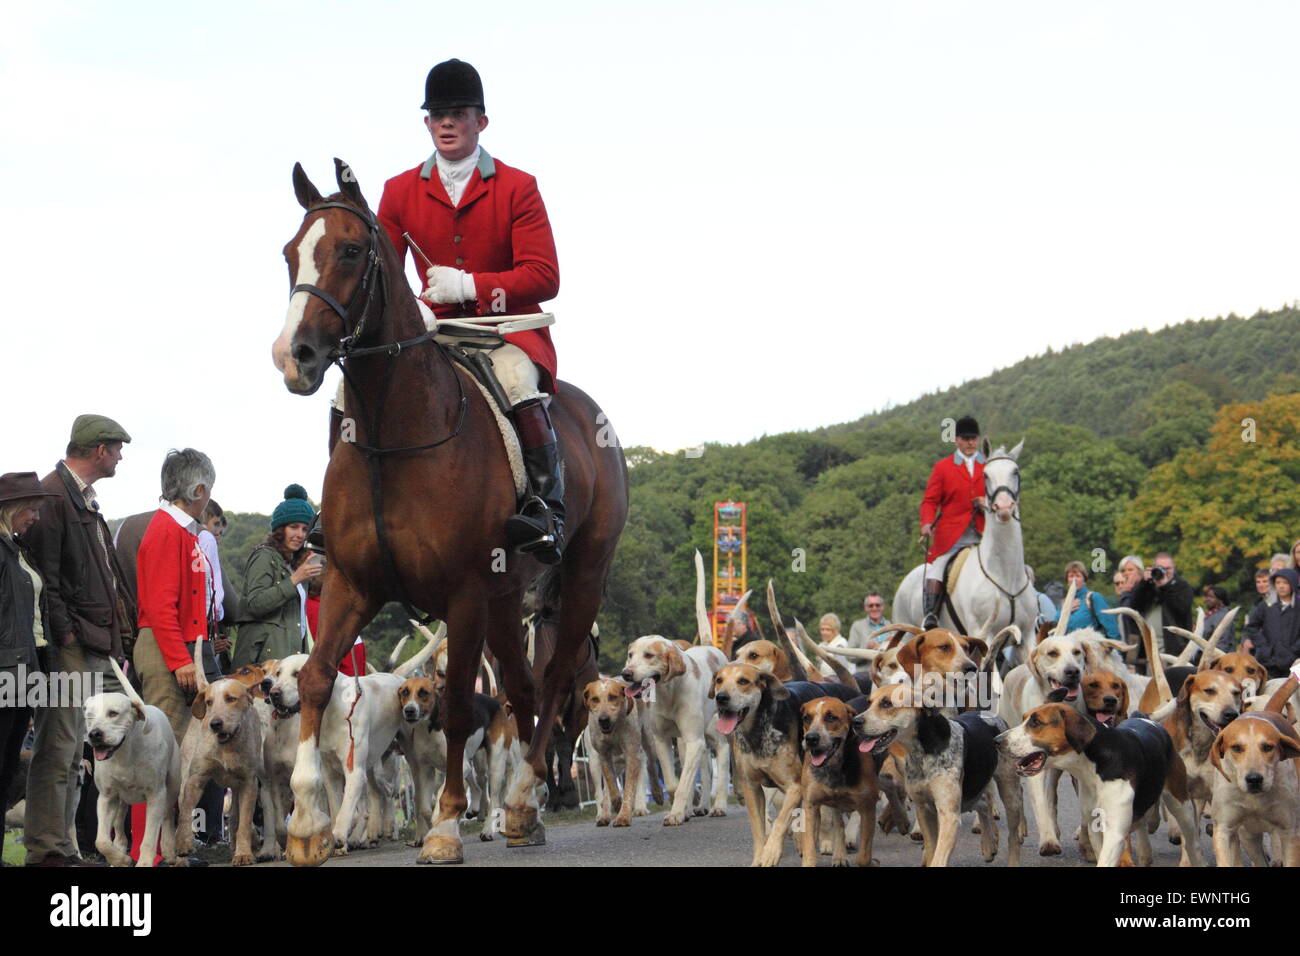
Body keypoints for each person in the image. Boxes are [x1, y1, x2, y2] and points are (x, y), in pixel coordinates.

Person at [370, 58, 566, 565]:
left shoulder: (518, 186)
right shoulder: (397, 191)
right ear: (426, 123)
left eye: (458, 113)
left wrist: (472, 285)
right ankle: (344, 509)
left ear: (482, 120)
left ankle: (546, 507)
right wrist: (413, 308)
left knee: (519, 381)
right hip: (430, 332)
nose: (447, 123)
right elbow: (383, 277)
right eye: (437, 115)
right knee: (354, 387)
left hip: (503, 331)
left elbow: (545, 276)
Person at [22, 415, 134, 867]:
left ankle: (61, 846)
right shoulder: (54, 496)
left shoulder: (77, 497)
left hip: (87, 640)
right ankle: (48, 849)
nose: (122, 456)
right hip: (69, 643)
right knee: (58, 747)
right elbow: (47, 577)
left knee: (73, 754)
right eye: (118, 448)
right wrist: (65, 633)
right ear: (100, 450)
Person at [133, 449, 221, 744]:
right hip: (165, 648)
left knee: (187, 746)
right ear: (199, 491)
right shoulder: (166, 530)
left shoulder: (183, 531)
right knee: (166, 747)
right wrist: (179, 659)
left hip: (179, 647)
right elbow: (160, 605)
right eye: (209, 490)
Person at [0, 474, 57, 863]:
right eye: (31, 509)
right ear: (11, 509)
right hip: (7, 669)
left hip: (28, 667)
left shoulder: (16, 550)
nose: (35, 517)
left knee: (6, 766)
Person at [231, 485, 323, 668]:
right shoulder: (264, 556)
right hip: (258, 666)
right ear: (280, 529)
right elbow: (255, 604)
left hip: (285, 668)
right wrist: (294, 580)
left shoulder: (298, 565)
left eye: (305, 529)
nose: (300, 534)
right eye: (293, 527)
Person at [918, 416, 986, 629]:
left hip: (984, 532)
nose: (970, 443)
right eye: (965, 439)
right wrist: (927, 522)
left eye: (973, 439)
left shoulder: (988, 465)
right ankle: (931, 614)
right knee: (937, 569)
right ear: (956, 440)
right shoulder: (943, 467)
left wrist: (986, 502)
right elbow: (930, 501)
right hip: (952, 535)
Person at [1121, 551, 1194, 659]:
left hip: (1174, 651)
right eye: (1160, 568)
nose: (1164, 572)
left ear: (1174, 568)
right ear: (1154, 568)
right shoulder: (1149, 586)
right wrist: (1143, 583)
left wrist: (1165, 586)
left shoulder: (1182, 587)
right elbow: (1134, 606)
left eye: (1168, 568)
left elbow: (1181, 609)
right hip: (1146, 651)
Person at [1241, 568, 1300, 679]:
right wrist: (1264, 646)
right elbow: (1251, 627)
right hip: (1269, 662)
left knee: (1294, 693)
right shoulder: (1265, 605)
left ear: (1292, 584)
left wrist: (1294, 650)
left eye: (1285, 583)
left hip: (1296, 662)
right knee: (1268, 693)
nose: (1281, 586)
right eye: (1278, 583)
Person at [1063, 561, 1119, 639]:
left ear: (1084, 579)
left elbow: (1111, 626)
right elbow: (1056, 625)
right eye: (1071, 576)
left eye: (1078, 576)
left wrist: (1116, 648)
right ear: (1067, 580)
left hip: (1089, 646)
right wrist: (1065, 611)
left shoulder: (1093, 598)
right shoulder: (1064, 603)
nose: (1074, 579)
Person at [1204, 585, 1238, 653]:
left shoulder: (1223, 616)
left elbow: (1222, 643)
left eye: (1211, 597)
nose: (1207, 599)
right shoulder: (1210, 614)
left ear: (1220, 600)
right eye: (1206, 596)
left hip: (1217, 658)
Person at [815, 613, 847, 678]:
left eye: (828, 629)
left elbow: (842, 671)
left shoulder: (840, 645)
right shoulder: (823, 645)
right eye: (822, 629)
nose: (824, 632)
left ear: (836, 630)